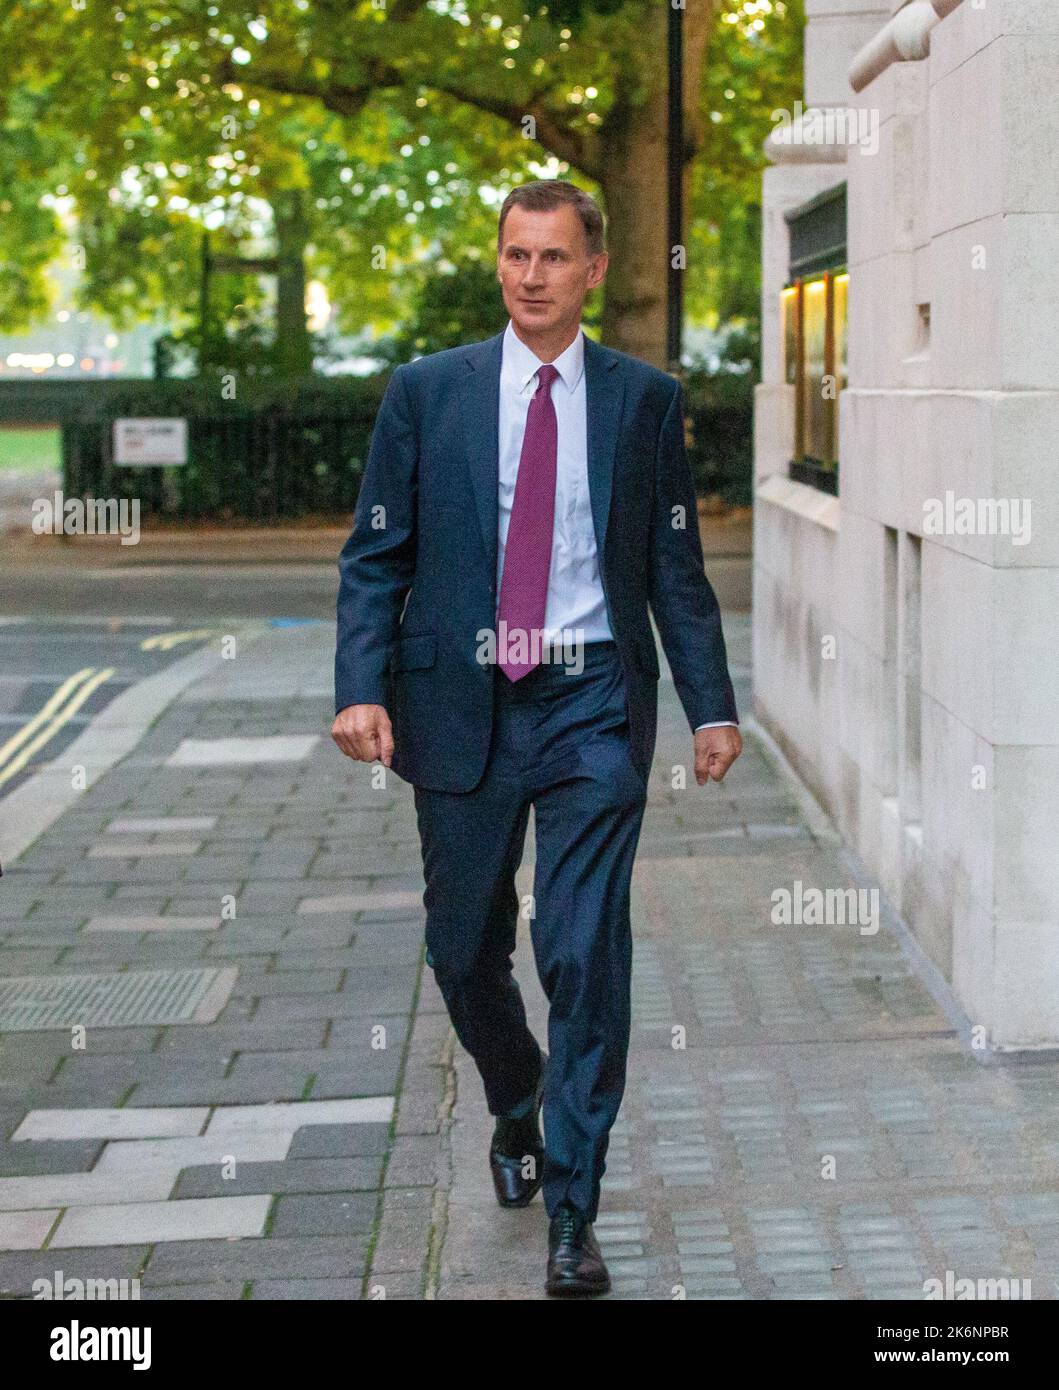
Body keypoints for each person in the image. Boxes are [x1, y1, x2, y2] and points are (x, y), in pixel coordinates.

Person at [332, 179, 741, 1297]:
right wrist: (360, 685)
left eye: (554, 257)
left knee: (579, 950)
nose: (531, 276)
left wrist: (711, 704)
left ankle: (573, 1209)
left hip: (589, 705)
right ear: (499, 261)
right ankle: (517, 1097)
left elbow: (673, 569)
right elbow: (375, 554)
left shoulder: (644, 400)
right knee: (462, 945)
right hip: (459, 706)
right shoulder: (429, 392)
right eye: (516, 255)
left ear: (594, 270)